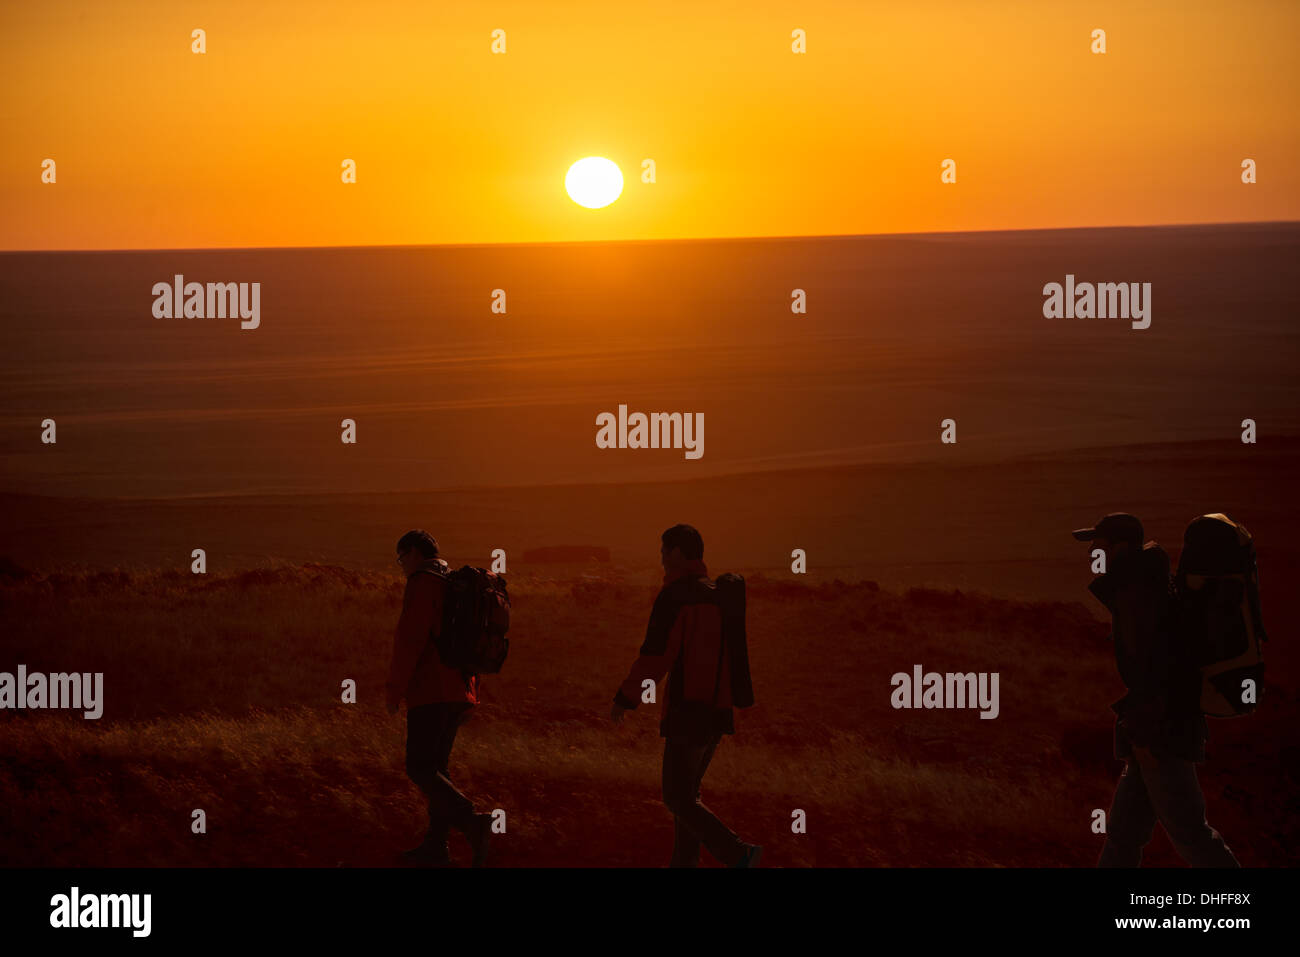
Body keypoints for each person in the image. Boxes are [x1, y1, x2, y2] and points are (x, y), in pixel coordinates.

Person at [1073, 513, 1239, 867]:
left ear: (1119, 547)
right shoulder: (1142, 583)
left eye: (1097, 545)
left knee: (1191, 834)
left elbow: (1159, 671)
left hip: (1160, 734)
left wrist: (1147, 734)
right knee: (1123, 833)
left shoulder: (1138, 594)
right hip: (1151, 732)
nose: (1091, 552)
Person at [610, 523, 762, 868]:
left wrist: (624, 699)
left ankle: (738, 853)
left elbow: (655, 657)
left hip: (689, 712)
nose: (661, 558)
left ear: (677, 553)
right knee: (688, 799)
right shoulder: (716, 595)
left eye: (664, 550)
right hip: (718, 713)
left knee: (677, 798)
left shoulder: (677, 596)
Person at [387, 529, 492, 867]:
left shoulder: (423, 583)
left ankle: (473, 823)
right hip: (462, 690)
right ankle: (436, 845)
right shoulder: (456, 583)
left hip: (431, 691)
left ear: (415, 553)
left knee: (419, 767)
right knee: (438, 769)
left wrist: (395, 690)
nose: (402, 566)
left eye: (402, 558)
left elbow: (410, 640)